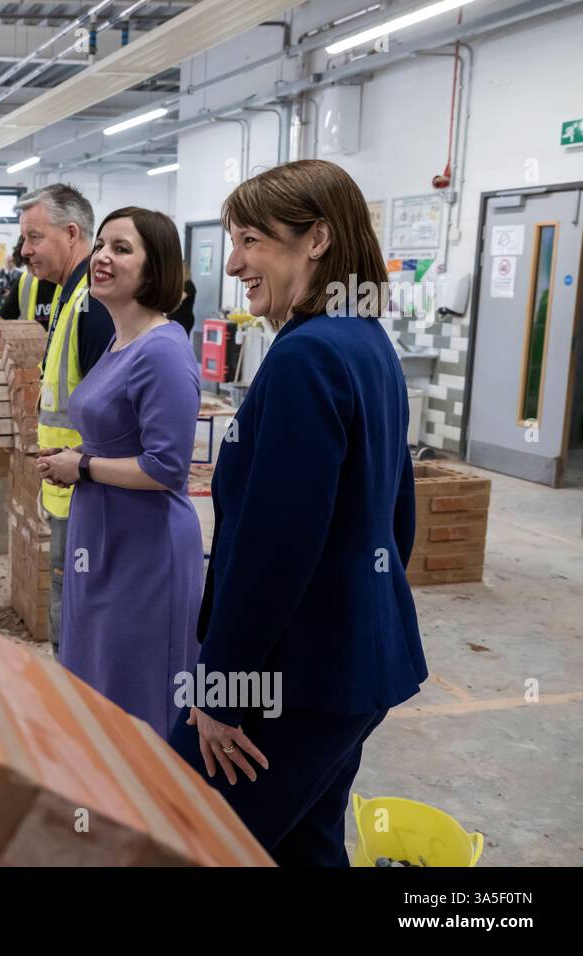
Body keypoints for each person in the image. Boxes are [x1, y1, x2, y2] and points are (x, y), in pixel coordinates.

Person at [168, 159, 427, 866]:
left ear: (315, 240)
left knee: (174, 830)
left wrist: (222, 686)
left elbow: (273, 550)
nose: (234, 262)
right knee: (306, 845)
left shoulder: (305, 357)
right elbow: (394, 516)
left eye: (251, 240)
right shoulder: (368, 343)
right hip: (353, 667)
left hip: (291, 681)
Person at [38, 208, 201, 738]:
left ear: (156, 269)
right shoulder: (117, 341)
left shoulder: (162, 349)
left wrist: (81, 465)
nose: (103, 257)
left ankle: (151, 808)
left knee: (139, 689)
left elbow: (168, 467)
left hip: (145, 548)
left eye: (123, 248)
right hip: (103, 537)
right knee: (99, 677)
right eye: (102, 244)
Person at [19, 183, 115, 656]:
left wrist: (84, 465)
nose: (25, 250)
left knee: (77, 616)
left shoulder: (92, 302)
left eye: (34, 237)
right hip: (68, 489)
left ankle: (77, 716)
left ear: (72, 232)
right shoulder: (65, 294)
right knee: (66, 605)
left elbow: (116, 414)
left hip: (88, 495)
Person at [0, 234, 60, 327]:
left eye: (34, 264)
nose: (31, 271)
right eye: (27, 265)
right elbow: (2, 317)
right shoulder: (25, 282)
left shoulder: (71, 283)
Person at [168, 263, 196, 336]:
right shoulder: (178, 285)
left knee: (180, 341)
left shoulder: (188, 285)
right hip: (173, 318)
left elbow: (177, 300)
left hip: (183, 318)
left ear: (184, 270)